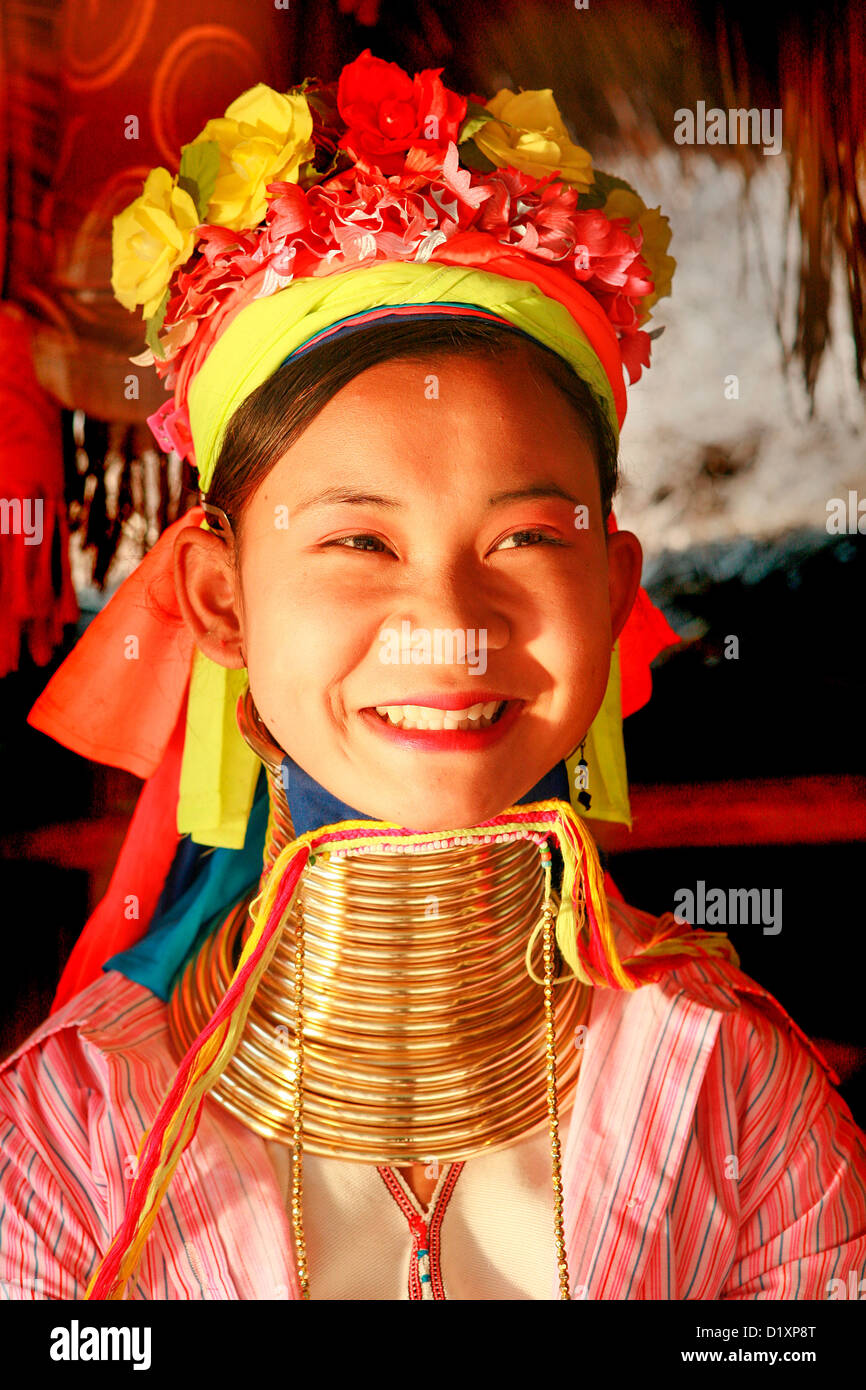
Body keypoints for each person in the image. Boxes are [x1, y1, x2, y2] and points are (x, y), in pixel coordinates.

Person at [1, 50, 864, 1302]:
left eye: (524, 537)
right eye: (359, 540)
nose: (451, 619)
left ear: (616, 589)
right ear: (219, 598)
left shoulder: (726, 1093)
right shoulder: (71, 1146)